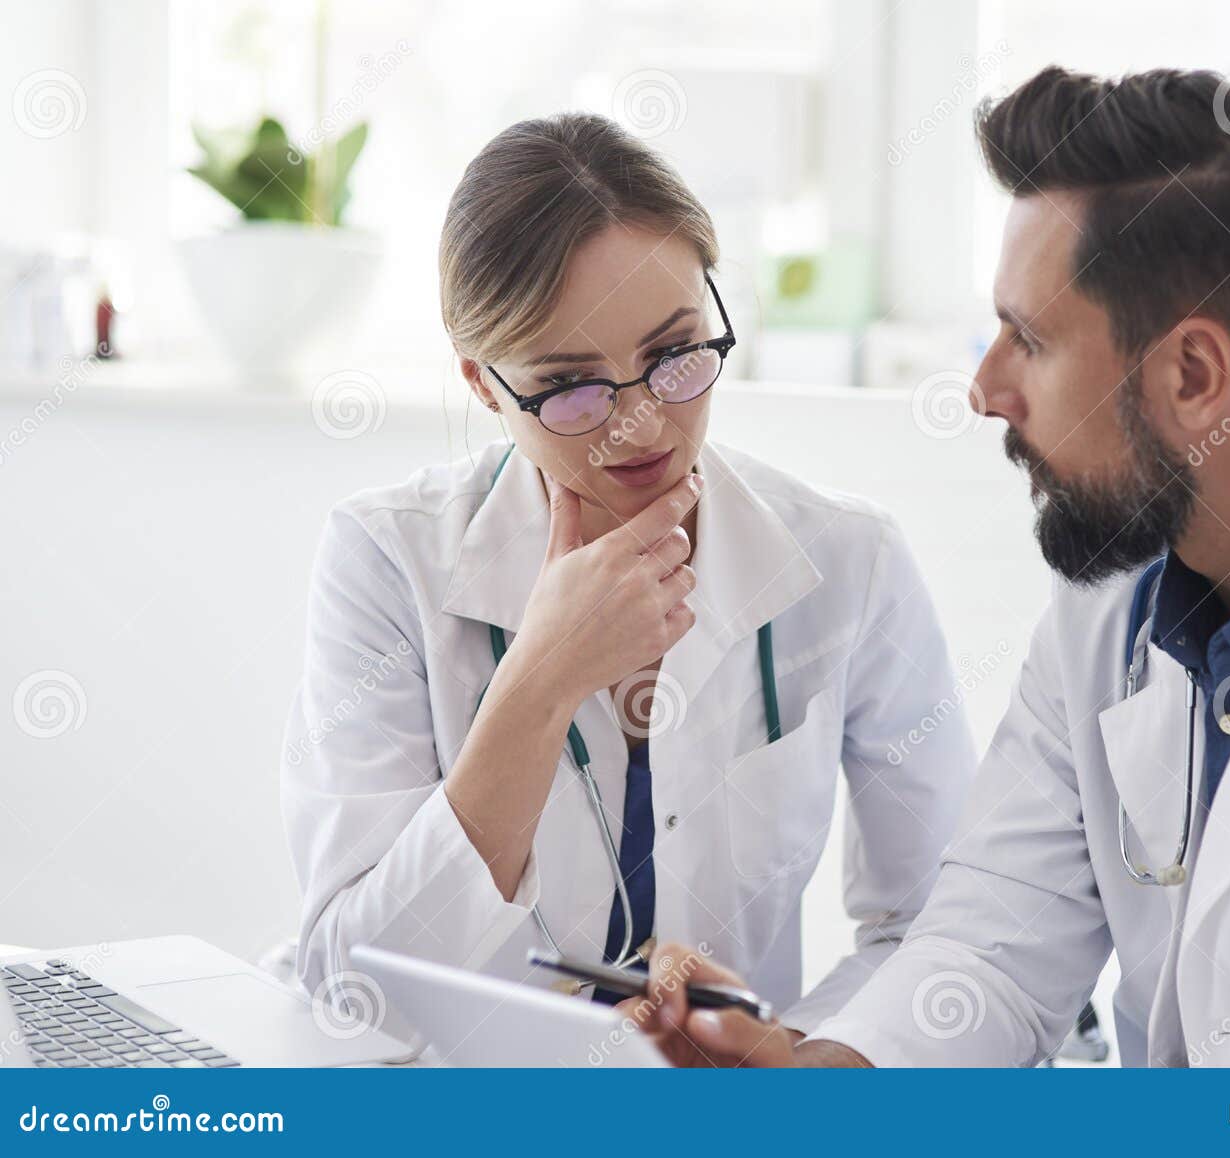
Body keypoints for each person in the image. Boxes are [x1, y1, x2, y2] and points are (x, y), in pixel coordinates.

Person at [627, 66, 1230, 1066]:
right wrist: (823, 1081)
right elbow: (992, 945)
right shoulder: (1120, 595)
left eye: (1029, 339)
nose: (983, 389)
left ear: (1191, 374)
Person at [279, 113, 976, 1039]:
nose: (642, 425)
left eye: (675, 355)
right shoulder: (386, 561)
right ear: (484, 384)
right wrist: (539, 681)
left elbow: (942, 926)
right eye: (571, 385)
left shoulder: (850, 560)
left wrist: (789, 1056)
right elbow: (347, 986)